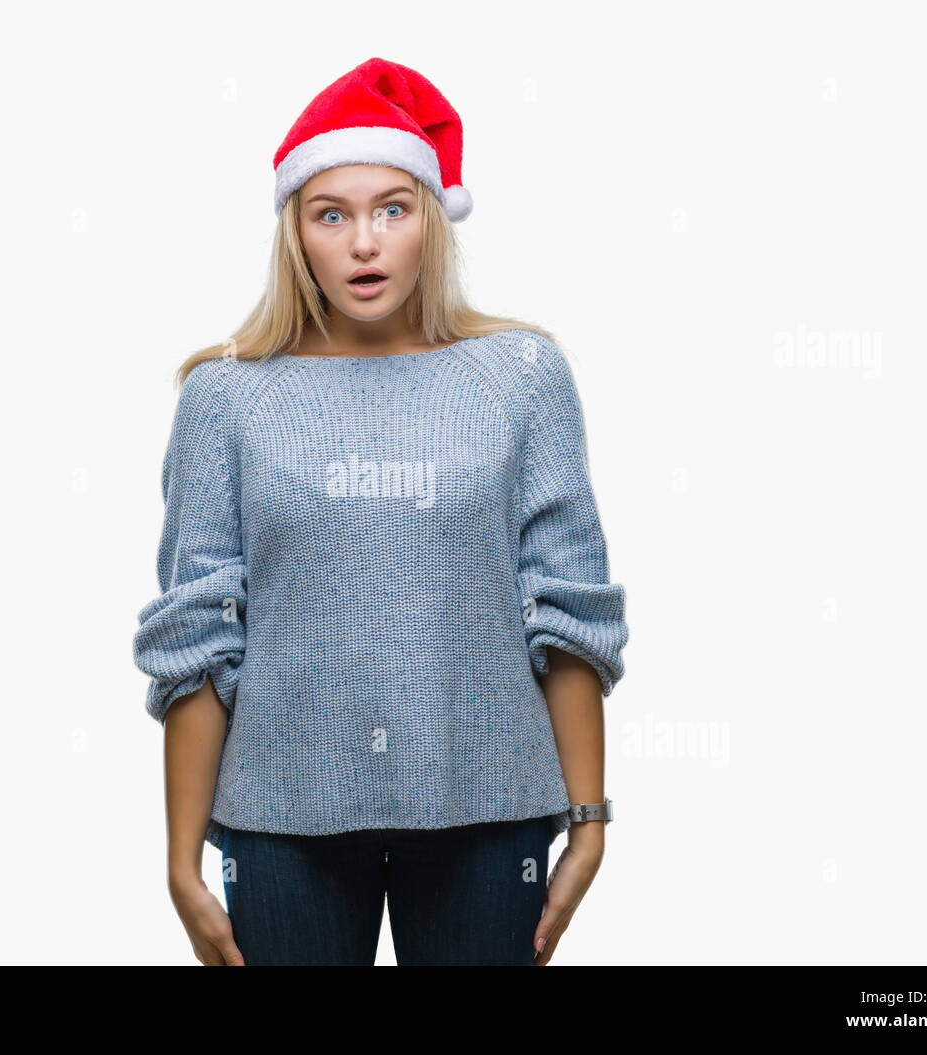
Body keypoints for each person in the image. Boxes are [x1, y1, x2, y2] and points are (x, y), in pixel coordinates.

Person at [132, 57, 629, 966]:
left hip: (490, 810)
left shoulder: (522, 377)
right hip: (281, 821)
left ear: (432, 222)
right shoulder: (225, 397)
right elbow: (195, 636)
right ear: (298, 234)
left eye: (392, 208)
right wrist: (179, 861)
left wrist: (590, 817)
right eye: (333, 214)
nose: (365, 242)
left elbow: (567, 611)